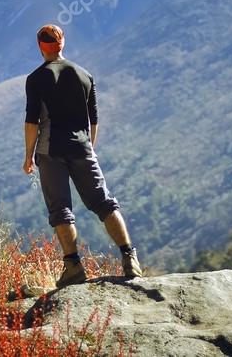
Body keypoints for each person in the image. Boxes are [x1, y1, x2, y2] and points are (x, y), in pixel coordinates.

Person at [22, 23, 142, 287]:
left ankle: (74, 267)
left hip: (50, 150)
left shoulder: (36, 79)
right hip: (83, 147)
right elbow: (94, 120)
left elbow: (32, 122)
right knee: (104, 202)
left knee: (61, 210)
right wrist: (90, 148)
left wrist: (28, 156)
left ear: (40, 47)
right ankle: (129, 258)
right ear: (63, 43)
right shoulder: (84, 75)